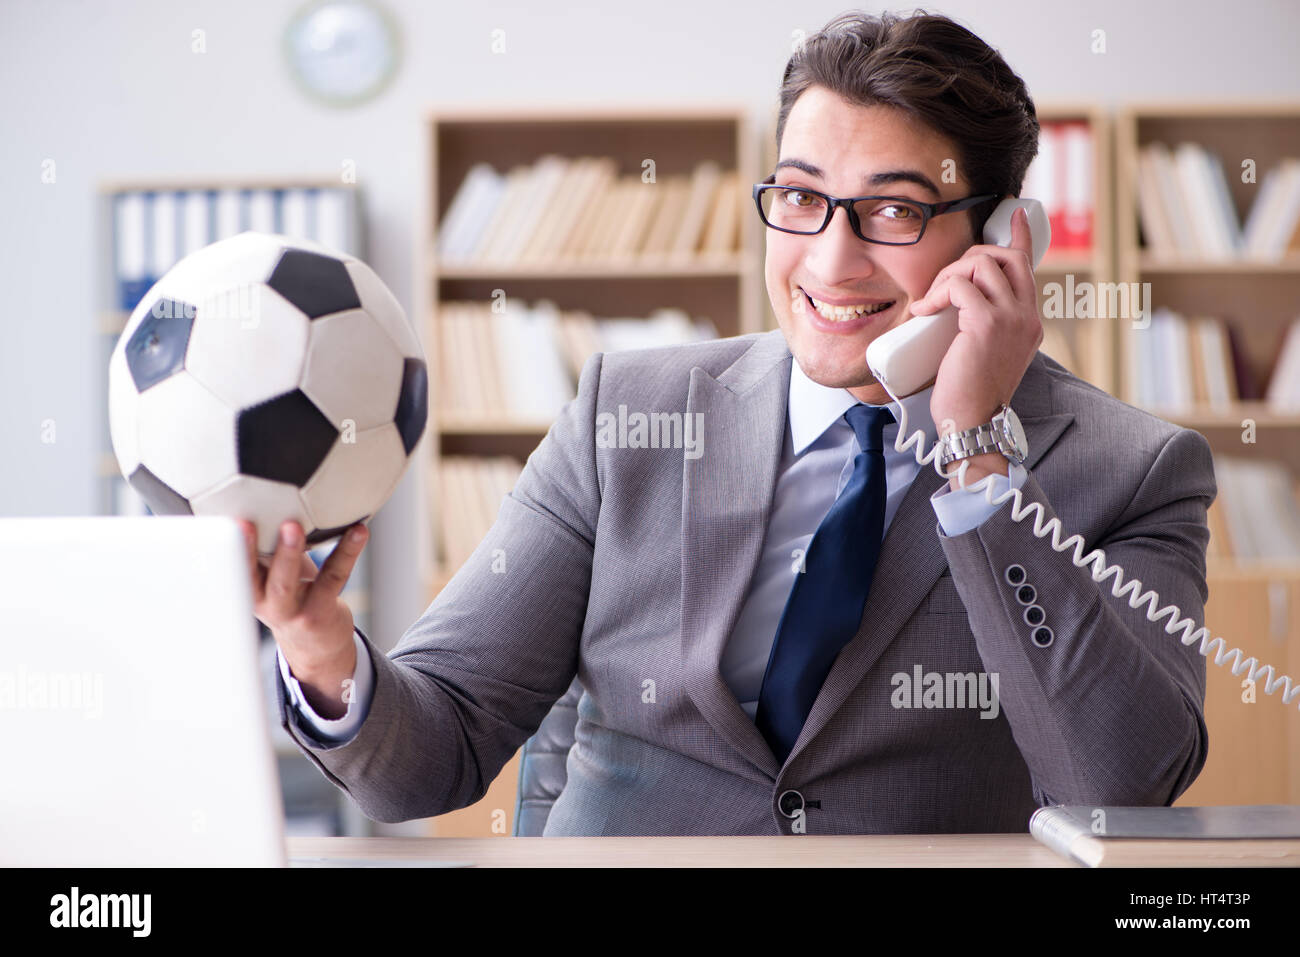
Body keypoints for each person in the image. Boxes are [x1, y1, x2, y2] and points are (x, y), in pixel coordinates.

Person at [244, 10, 1214, 835]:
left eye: (893, 212)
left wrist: (976, 454)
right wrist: (322, 646)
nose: (830, 264)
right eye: (800, 198)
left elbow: (1120, 789)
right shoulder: (624, 415)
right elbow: (433, 756)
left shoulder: (1130, 470)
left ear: (1004, 240)